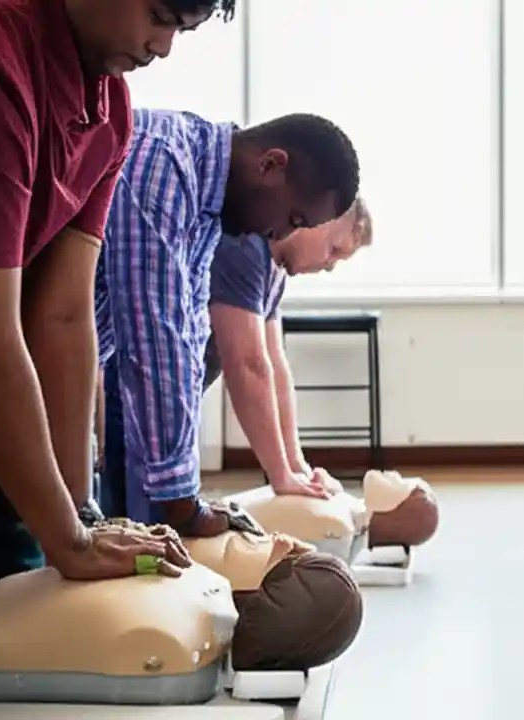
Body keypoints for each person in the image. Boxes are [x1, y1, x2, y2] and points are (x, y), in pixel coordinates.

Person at [0, 0, 228, 656]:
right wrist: (68, 543)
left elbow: (64, 315)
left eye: (181, 31)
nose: (162, 47)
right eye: (159, 16)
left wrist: (81, 518)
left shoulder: (110, 113)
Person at [96, 107, 360, 538]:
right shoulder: (170, 169)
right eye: (294, 219)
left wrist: (293, 467)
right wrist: (182, 501)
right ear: (271, 165)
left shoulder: (212, 214)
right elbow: (157, 341)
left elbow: (189, 344)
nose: (279, 233)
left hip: (61, 367)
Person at [202, 198, 373, 498]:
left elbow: (274, 363)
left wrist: (296, 466)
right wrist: (279, 475)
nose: (329, 265)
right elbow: (248, 365)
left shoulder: (274, 270)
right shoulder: (245, 248)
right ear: (314, 218)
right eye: (333, 248)